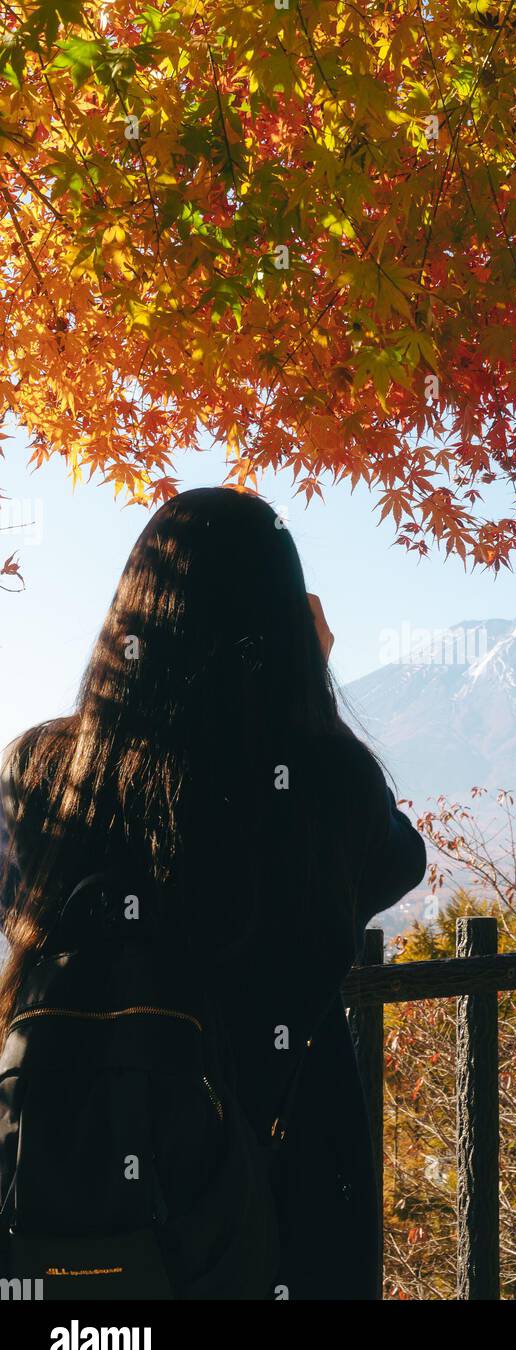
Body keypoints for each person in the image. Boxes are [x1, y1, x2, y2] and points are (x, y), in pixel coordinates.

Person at [0, 487, 426, 1299]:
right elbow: (395, 861)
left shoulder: (39, 771)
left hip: (72, 1179)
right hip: (289, 1179)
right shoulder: (319, 782)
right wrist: (313, 693)